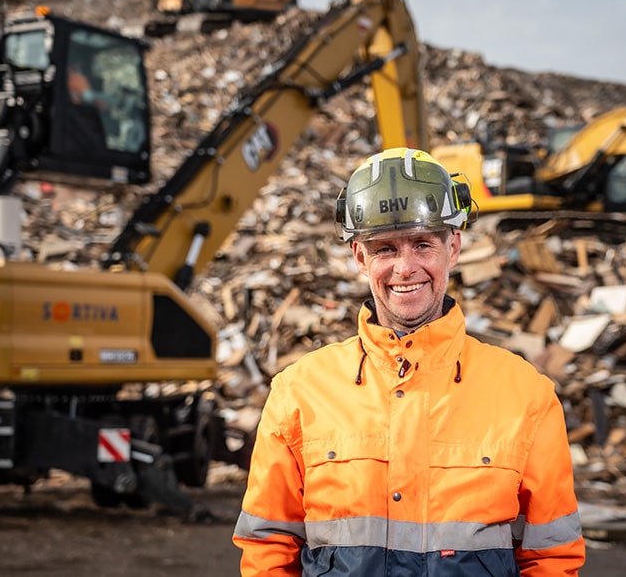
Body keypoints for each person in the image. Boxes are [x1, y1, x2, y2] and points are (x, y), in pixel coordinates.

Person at [233, 147, 585, 576]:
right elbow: (267, 549)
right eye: (385, 249)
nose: (405, 267)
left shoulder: (526, 396)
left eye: (422, 244)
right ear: (360, 258)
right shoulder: (299, 393)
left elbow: (551, 558)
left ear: (452, 248)